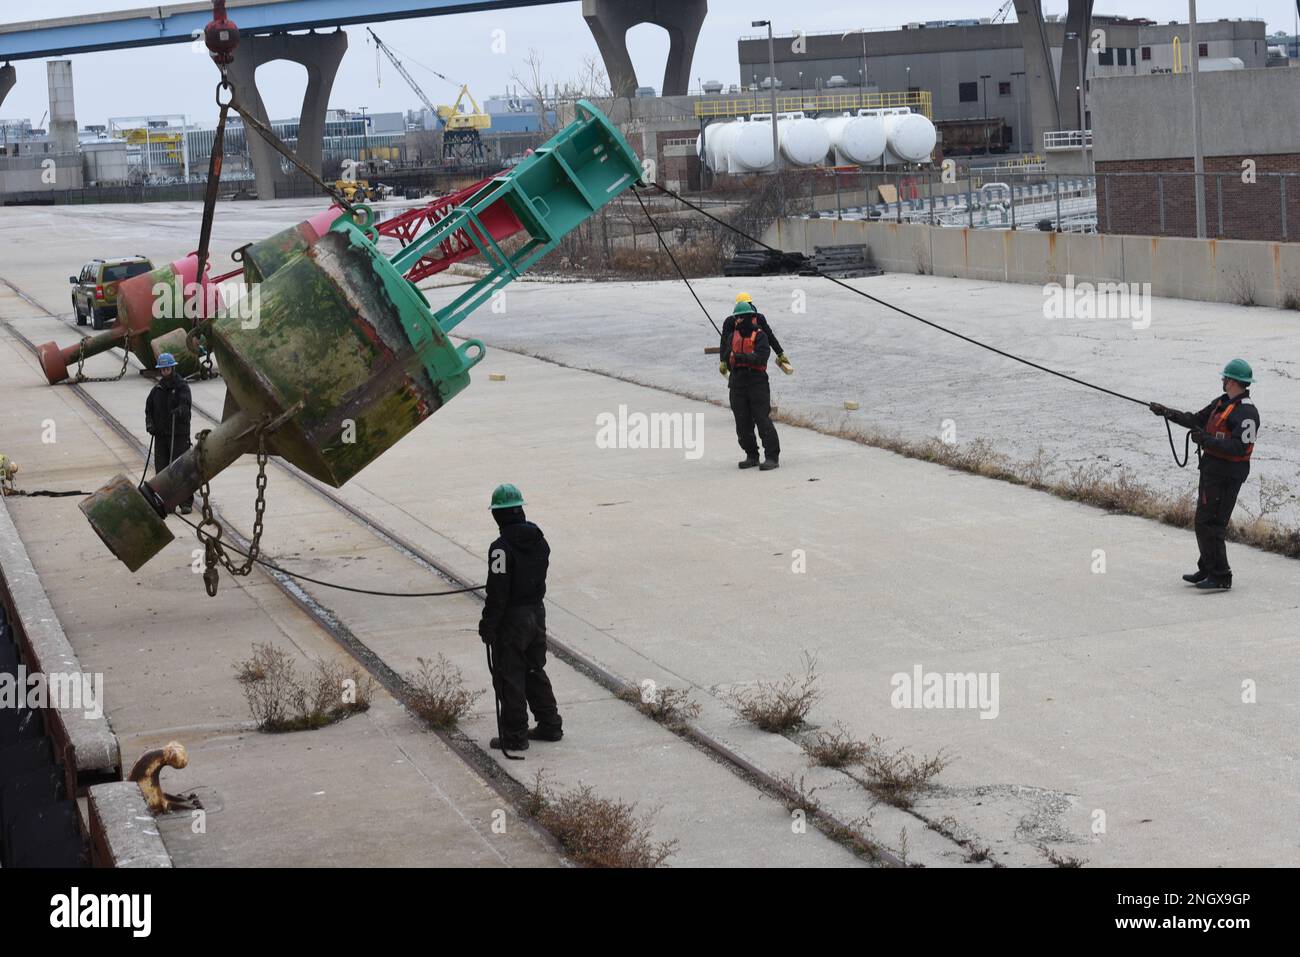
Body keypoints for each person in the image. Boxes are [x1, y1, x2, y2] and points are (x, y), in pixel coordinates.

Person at [1150, 359, 1260, 590]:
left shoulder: (1246, 412)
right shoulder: (1221, 403)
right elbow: (1196, 420)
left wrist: (1206, 440)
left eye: (1225, 378)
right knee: (1204, 521)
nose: (1222, 381)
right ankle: (1208, 567)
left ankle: (1221, 575)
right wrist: (1166, 413)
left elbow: (1241, 448)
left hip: (1227, 475)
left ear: (1233, 382)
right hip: (1212, 470)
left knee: (1211, 523)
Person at [478, 483, 562, 751]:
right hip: (537, 614)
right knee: (535, 669)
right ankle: (550, 725)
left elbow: (498, 591)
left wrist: (489, 625)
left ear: (498, 515)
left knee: (509, 675)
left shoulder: (500, 549)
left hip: (513, 620)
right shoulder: (539, 539)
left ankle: (514, 736)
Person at [720, 299, 784, 470]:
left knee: (762, 420)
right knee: (742, 422)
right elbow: (726, 356)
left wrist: (740, 357)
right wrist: (726, 360)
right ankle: (751, 455)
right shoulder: (732, 336)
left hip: (757, 383)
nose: (739, 321)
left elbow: (761, 357)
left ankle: (772, 457)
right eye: (737, 318)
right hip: (737, 383)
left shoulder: (760, 336)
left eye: (742, 318)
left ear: (750, 318)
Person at [144, 353, 194, 514]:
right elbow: (149, 410)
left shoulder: (182, 387)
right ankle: (166, 502)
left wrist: (180, 411)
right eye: (162, 369)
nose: (165, 371)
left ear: (172, 368)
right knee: (162, 469)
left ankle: (185, 502)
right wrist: (150, 424)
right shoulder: (156, 390)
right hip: (161, 436)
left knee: (181, 469)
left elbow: (186, 406)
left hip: (178, 435)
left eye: (167, 368)